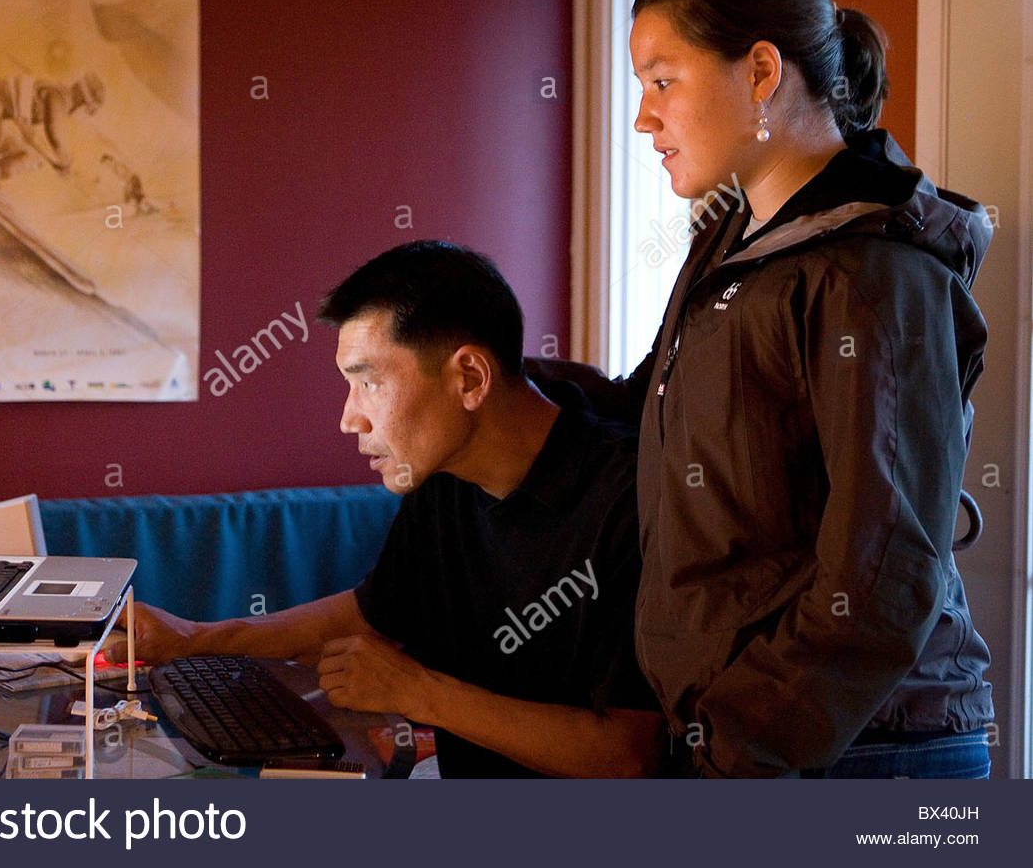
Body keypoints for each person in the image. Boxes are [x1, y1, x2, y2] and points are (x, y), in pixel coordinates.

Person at [599, 0, 993, 777]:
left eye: (662, 81)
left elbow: (885, 572)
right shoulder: (725, 242)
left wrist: (738, 748)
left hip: (866, 751)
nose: (643, 118)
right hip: (757, 741)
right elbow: (642, 413)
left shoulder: (874, 273)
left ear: (762, 71)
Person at [110, 241, 665, 777]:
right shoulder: (444, 470)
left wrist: (419, 691)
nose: (350, 419)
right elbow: (374, 612)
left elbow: (628, 757)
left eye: (369, 383)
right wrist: (194, 640)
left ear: (469, 378)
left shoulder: (631, 504)